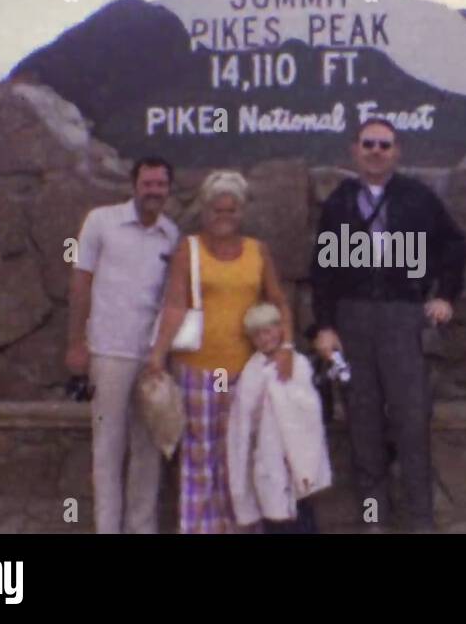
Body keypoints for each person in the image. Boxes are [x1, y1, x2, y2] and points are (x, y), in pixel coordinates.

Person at [310, 118, 466, 532]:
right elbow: (323, 272)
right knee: (363, 429)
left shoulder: (418, 198)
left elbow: (455, 247)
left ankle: (420, 524)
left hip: (403, 318)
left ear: (397, 151)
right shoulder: (340, 202)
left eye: (385, 144)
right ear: (355, 150)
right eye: (369, 144)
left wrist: (445, 296)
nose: (376, 151)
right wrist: (325, 326)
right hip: (353, 318)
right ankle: (373, 524)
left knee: (412, 425)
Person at [147, 170, 295, 534]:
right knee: (200, 456)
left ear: (241, 211)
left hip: (246, 369)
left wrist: (286, 346)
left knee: (241, 454)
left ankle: (241, 527)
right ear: (205, 209)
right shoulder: (189, 249)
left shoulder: (257, 251)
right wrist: (156, 355)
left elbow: (278, 301)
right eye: (217, 209)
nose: (223, 216)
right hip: (198, 369)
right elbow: (175, 305)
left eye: (231, 210)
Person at [65, 156, 180, 534]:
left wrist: (160, 353)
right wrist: (76, 343)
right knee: (107, 449)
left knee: (148, 452)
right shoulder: (101, 222)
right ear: (134, 186)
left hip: (151, 358)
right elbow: (81, 283)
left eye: (160, 185)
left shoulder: (171, 234)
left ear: (168, 189)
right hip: (107, 352)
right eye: (147, 184)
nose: (153, 191)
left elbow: (171, 299)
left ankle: (141, 529)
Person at [227, 302, 332, 534]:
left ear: (280, 329)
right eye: (257, 335)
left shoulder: (298, 364)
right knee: (274, 514)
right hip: (267, 454)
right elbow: (244, 415)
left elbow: (307, 407)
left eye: (268, 331)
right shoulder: (252, 370)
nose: (264, 339)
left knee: (302, 516)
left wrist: (275, 388)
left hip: (296, 455)